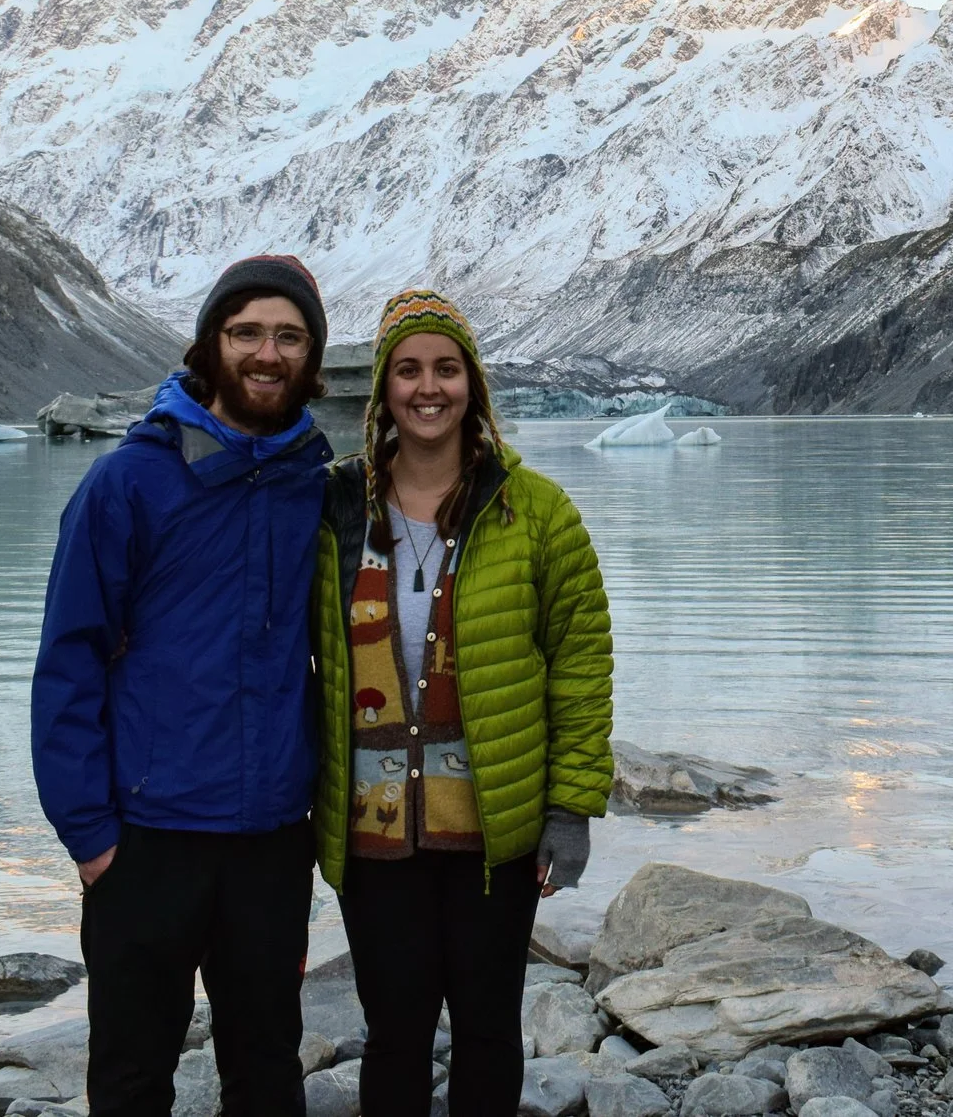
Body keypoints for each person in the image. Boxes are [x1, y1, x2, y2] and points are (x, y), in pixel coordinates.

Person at [32, 255, 335, 1117]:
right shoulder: (128, 482)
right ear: (212, 345)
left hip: (271, 839)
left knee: (268, 1070)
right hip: (145, 838)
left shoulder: (314, 484)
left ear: (310, 356)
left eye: (288, 335)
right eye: (246, 333)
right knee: (131, 1077)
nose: (266, 353)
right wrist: (91, 838)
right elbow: (69, 660)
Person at [312, 287, 613, 1117]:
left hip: (494, 825)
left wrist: (572, 805)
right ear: (383, 390)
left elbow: (579, 664)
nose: (428, 386)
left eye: (447, 367)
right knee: (394, 1029)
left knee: (487, 1027)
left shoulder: (537, 513)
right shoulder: (335, 508)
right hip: (374, 831)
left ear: (473, 385)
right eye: (407, 370)